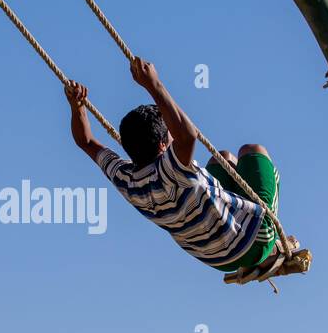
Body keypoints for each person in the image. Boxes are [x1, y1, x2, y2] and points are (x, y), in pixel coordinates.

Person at [65, 56, 281, 273]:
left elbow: (86, 141)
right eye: (169, 136)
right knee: (252, 151)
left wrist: (77, 108)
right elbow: (188, 136)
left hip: (218, 260)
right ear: (162, 146)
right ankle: (272, 251)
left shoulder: (126, 180)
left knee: (223, 158)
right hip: (254, 243)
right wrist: (153, 85)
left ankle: (250, 246)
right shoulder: (171, 170)